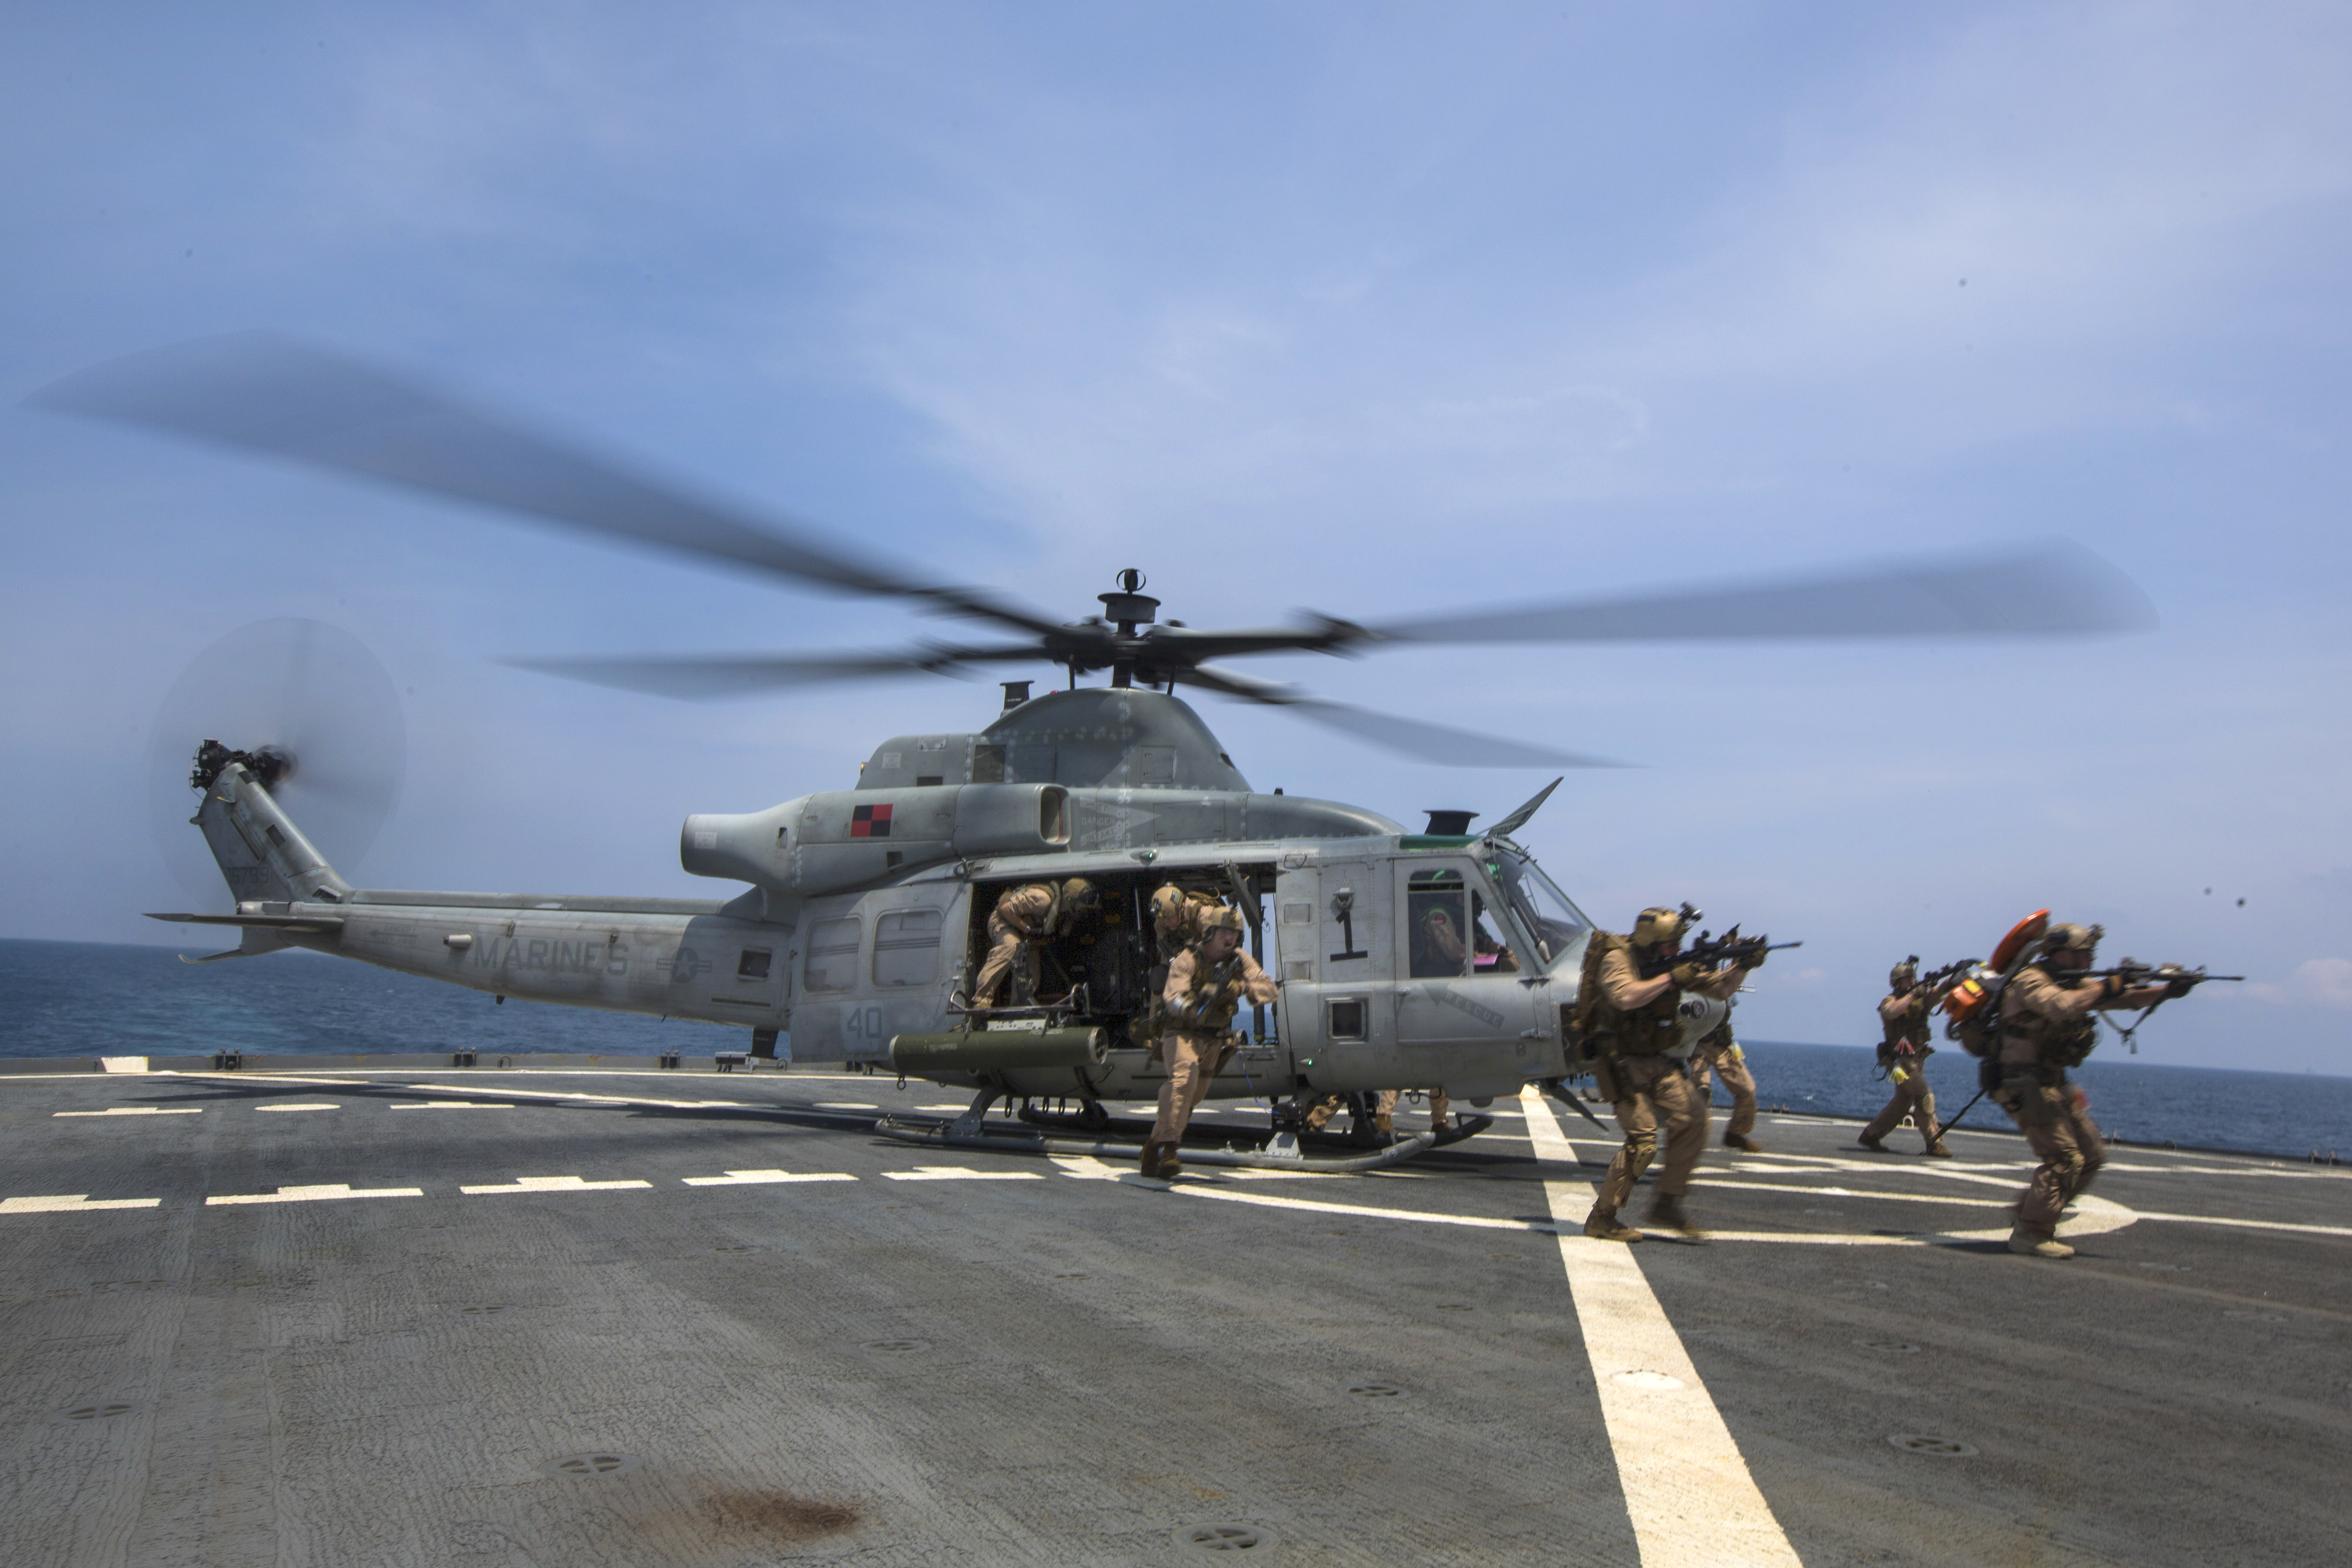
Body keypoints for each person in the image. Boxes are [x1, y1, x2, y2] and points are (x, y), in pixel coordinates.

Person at [1993, 922, 2183, 1259]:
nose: (2086, 960)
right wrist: (2105, 985)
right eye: (2081, 954)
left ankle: (2029, 1216)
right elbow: (2060, 1007)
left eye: (2089, 955)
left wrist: (2167, 991)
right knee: (2064, 1158)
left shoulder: (2071, 982)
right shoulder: (2029, 981)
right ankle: (2030, 1233)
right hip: (2022, 1084)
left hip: (2051, 1082)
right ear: (2058, 952)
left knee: (2092, 1155)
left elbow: (2126, 1000)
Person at [1578, 906, 1761, 1242]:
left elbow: (1720, 989)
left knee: (1694, 1119)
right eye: (1669, 947)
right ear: (1650, 942)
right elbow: (1624, 997)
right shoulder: (1616, 958)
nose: (1675, 953)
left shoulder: (1672, 963)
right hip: (1619, 1062)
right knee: (1643, 1141)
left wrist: (1742, 966)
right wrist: (1671, 978)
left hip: (1656, 1060)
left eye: (1677, 946)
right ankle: (1602, 1219)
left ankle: (1667, 1203)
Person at [1141, 906, 1279, 1179]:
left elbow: (1270, 988)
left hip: (1214, 1039)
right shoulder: (1188, 958)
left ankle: (1152, 1147)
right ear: (1211, 933)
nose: (1230, 939)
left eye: (1235, 934)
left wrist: (1242, 988)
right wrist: (1191, 1008)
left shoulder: (1239, 960)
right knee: (1183, 1082)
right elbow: (1174, 996)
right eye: (1225, 932)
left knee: (1192, 1098)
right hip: (1182, 1033)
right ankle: (1169, 1151)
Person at [1861, 959, 1952, 1157]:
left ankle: (1871, 1135)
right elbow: (1892, 1012)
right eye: (1907, 979)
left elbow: (1937, 995)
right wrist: (1913, 994)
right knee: (1923, 1094)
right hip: (1898, 1063)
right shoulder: (1890, 1001)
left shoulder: (1920, 998)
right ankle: (1933, 1142)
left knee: (1902, 1103)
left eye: (1913, 978)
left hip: (1917, 1059)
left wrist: (1950, 980)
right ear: (1897, 983)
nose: (1912, 981)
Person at [971, 878, 1099, 1008]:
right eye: (1083, 907)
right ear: (1071, 900)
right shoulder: (1042, 899)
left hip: (1025, 932)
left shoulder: (1064, 913)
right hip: (1004, 921)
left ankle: (1019, 1009)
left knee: (1031, 970)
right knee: (1011, 947)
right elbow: (1005, 909)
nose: (1084, 911)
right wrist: (1027, 929)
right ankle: (982, 1000)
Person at [1690, 1011, 1762, 1153]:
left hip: (1722, 1045)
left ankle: (1735, 1133)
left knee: (1748, 1089)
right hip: (1697, 1046)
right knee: (1702, 1094)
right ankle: (1688, 1144)